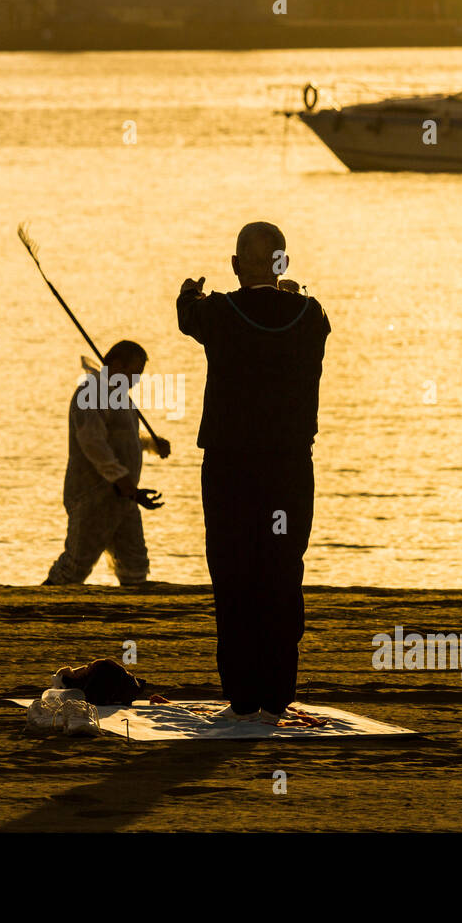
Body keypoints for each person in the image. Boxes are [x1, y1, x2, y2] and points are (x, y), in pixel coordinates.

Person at [177, 222, 330, 724]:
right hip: (288, 468)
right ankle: (277, 690)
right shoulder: (311, 315)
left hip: (230, 468)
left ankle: (242, 692)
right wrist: (293, 292)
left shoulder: (219, 312)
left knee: (233, 570)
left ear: (237, 265)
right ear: (283, 264)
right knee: (282, 570)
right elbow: (311, 318)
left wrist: (189, 291)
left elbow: (187, 315)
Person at [44, 340, 170, 586]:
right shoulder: (91, 393)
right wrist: (121, 479)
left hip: (123, 496)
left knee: (134, 563)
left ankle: (131, 614)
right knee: (77, 564)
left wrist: (153, 445)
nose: (137, 380)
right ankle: (39, 609)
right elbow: (93, 443)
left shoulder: (120, 397)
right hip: (93, 496)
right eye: (134, 373)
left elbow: (123, 440)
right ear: (115, 365)